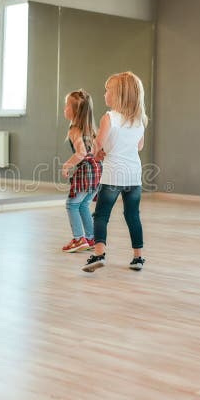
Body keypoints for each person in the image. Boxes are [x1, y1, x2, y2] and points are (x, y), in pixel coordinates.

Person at [82, 71, 147, 273]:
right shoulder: (140, 120)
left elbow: (99, 143)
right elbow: (139, 147)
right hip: (134, 175)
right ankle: (138, 257)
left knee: (101, 215)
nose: (104, 94)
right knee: (133, 216)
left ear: (118, 94)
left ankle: (99, 253)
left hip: (113, 175)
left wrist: (97, 151)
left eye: (107, 90)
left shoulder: (109, 117)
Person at [60, 89, 102, 253]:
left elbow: (82, 153)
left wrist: (67, 165)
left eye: (66, 106)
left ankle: (78, 239)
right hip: (97, 170)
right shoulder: (90, 129)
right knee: (83, 204)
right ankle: (91, 238)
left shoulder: (74, 130)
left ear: (75, 111)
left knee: (71, 205)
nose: (64, 109)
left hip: (86, 170)